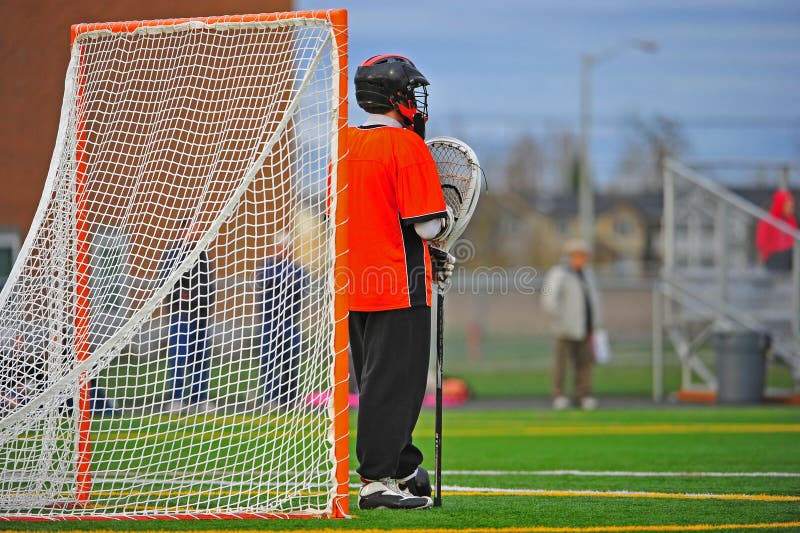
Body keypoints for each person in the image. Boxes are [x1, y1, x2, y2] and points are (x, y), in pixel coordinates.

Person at [348, 54, 455, 510]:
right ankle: (375, 481)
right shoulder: (406, 147)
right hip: (399, 284)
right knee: (398, 385)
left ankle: (406, 467)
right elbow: (427, 224)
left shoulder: (344, 142)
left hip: (352, 283)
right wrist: (446, 224)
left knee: (379, 382)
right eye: (410, 92)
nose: (415, 100)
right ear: (396, 98)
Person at [542, 239, 603, 411]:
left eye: (584, 256)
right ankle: (559, 395)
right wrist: (561, 320)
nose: (582, 259)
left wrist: (596, 322)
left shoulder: (588, 274)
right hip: (564, 328)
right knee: (561, 365)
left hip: (585, 327)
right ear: (569, 257)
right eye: (578, 256)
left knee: (585, 364)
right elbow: (549, 299)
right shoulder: (559, 273)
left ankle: (582, 395)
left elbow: (594, 300)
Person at [161, 222, 214, 414]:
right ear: (184, 230)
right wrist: (182, 294)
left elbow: (208, 283)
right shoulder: (173, 254)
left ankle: (199, 399)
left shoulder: (202, 254)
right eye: (195, 228)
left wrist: (204, 299)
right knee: (179, 356)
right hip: (180, 315)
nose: (198, 232)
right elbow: (165, 283)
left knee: (201, 358)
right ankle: (176, 398)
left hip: (200, 316)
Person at [258, 230, 307, 408]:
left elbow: (301, 284)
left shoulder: (296, 268)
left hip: (290, 321)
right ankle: (270, 397)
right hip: (270, 321)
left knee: (290, 359)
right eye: (280, 246)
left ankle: (289, 398)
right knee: (269, 360)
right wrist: (285, 282)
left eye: (286, 246)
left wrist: (286, 282)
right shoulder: (267, 266)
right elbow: (266, 282)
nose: (283, 250)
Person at [756, 189, 797, 273]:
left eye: (792, 205)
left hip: (789, 258)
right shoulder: (768, 221)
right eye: (788, 205)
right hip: (772, 258)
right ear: (781, 204)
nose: (791, 208)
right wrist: (781, 248)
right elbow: (761, 243)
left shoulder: (792, 221)